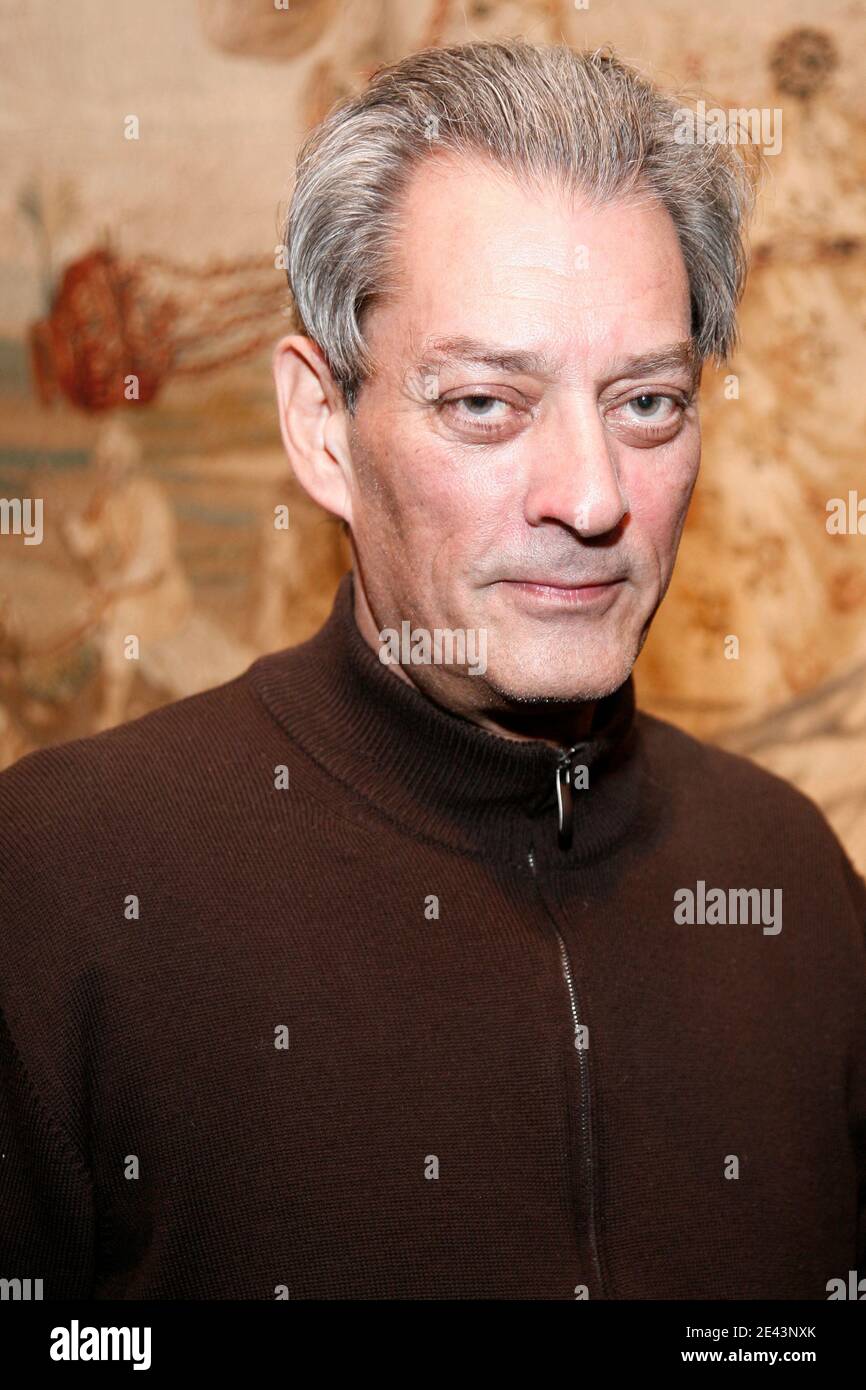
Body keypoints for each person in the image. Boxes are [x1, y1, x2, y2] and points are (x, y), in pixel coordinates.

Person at [1, 39, 864, 1302]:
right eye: (481, 405)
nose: (590, 498)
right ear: (320, 430)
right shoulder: (59, 881)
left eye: (645, 404)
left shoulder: (787, 874)